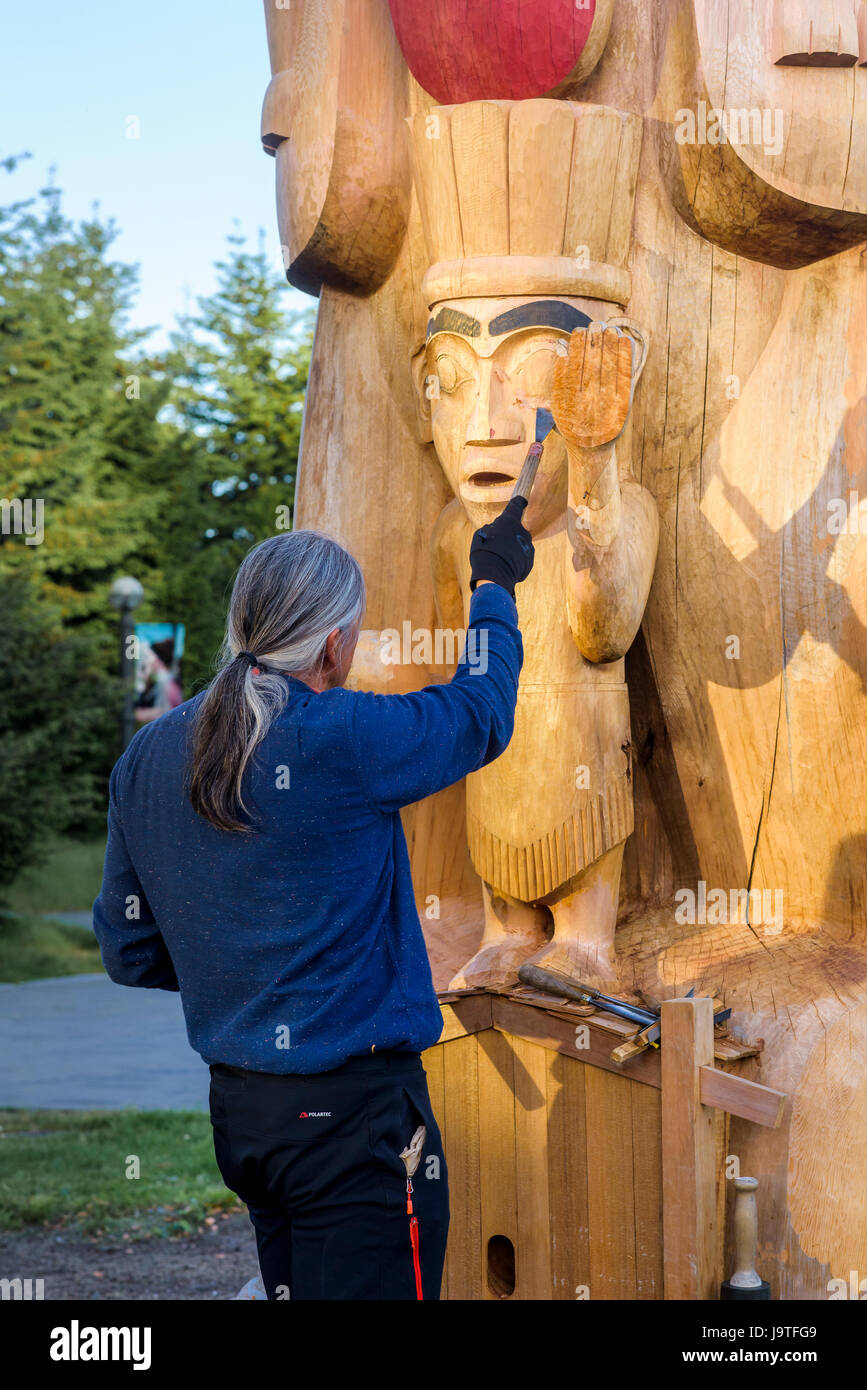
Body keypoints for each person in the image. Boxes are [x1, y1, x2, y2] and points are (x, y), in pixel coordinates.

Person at [92, 500, 534, 1301]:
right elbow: (481, 713)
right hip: (356, 1127)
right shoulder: (341, 738)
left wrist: (241, 971)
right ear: (335, 642)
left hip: (246, 1121)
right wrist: (493, 584)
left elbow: (130, 952)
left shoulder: (145, 757)